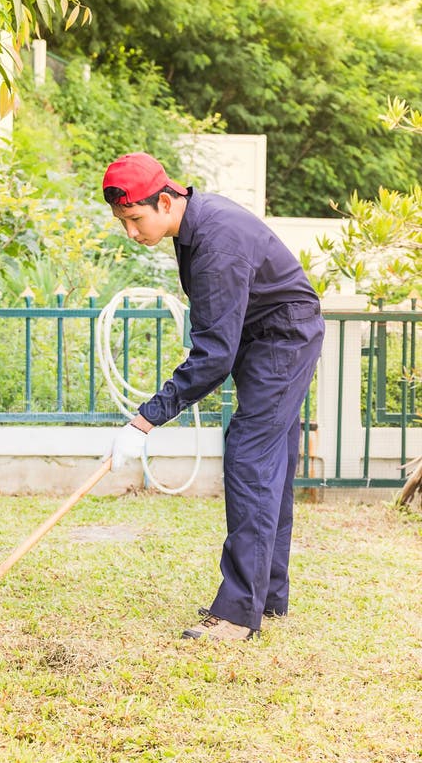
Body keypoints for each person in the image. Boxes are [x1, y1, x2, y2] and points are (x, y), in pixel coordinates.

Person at [103, 151, 325, 643]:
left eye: (136, 219)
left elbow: (213, 357)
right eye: (123, 223)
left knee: (250, 458)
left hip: (282, 338)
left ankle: (238, 613)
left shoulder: (216, 241)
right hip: (265, 335)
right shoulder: (193, 227)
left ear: (165, 200)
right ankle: (267, 595)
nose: (132, 233)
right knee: (269, 462)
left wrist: (145, 420)